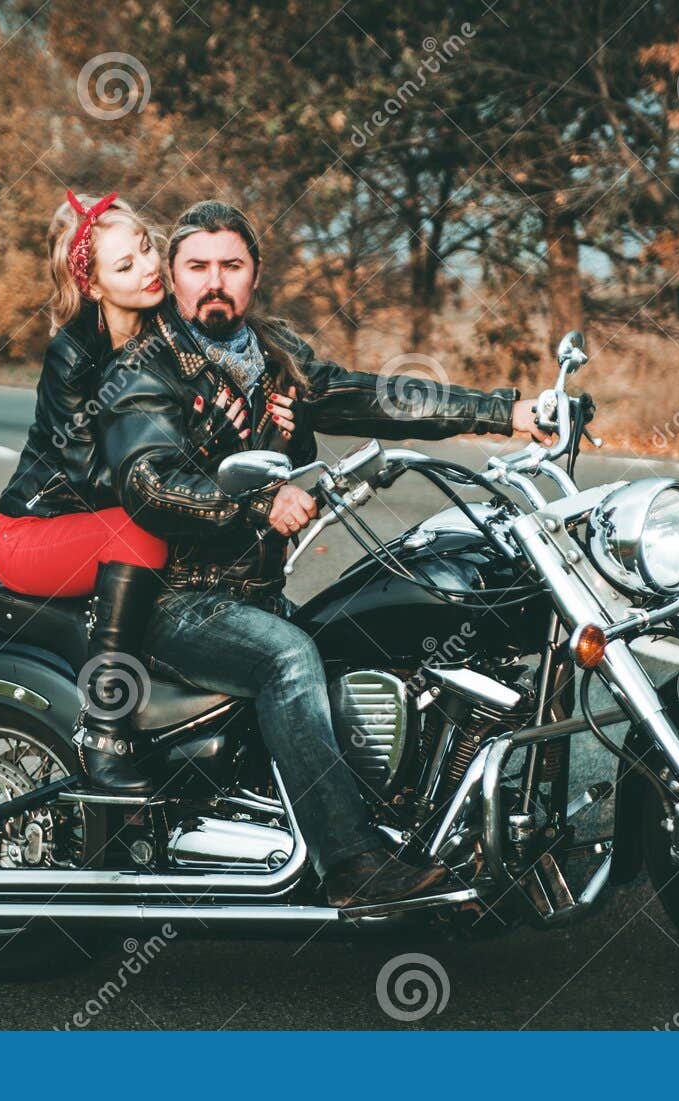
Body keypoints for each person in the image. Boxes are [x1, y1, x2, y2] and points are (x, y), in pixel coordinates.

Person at [99, 200, 550, 908]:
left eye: (231, 265)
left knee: (373, 629)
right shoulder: (148, 368)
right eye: (198, 266)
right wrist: (257, 503)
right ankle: (352, 863)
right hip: (179, 603)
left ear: (253, 276)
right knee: (288, 658)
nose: (214, 281)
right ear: (176, 277)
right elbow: (146, 481)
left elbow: (375, 396)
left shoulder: (273, 353)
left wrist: (505, 414)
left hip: (254, 594)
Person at [0, 191, 293, 795]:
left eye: (146, 250)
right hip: (35, 531)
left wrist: (279, 421)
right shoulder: (73, 354)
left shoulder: (168, 336)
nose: (147, 268)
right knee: (142, 530)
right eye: (124, 266)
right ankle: (105, 731)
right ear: (95, 287)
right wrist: (195, 450)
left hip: (96, 527)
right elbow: (93, 478)